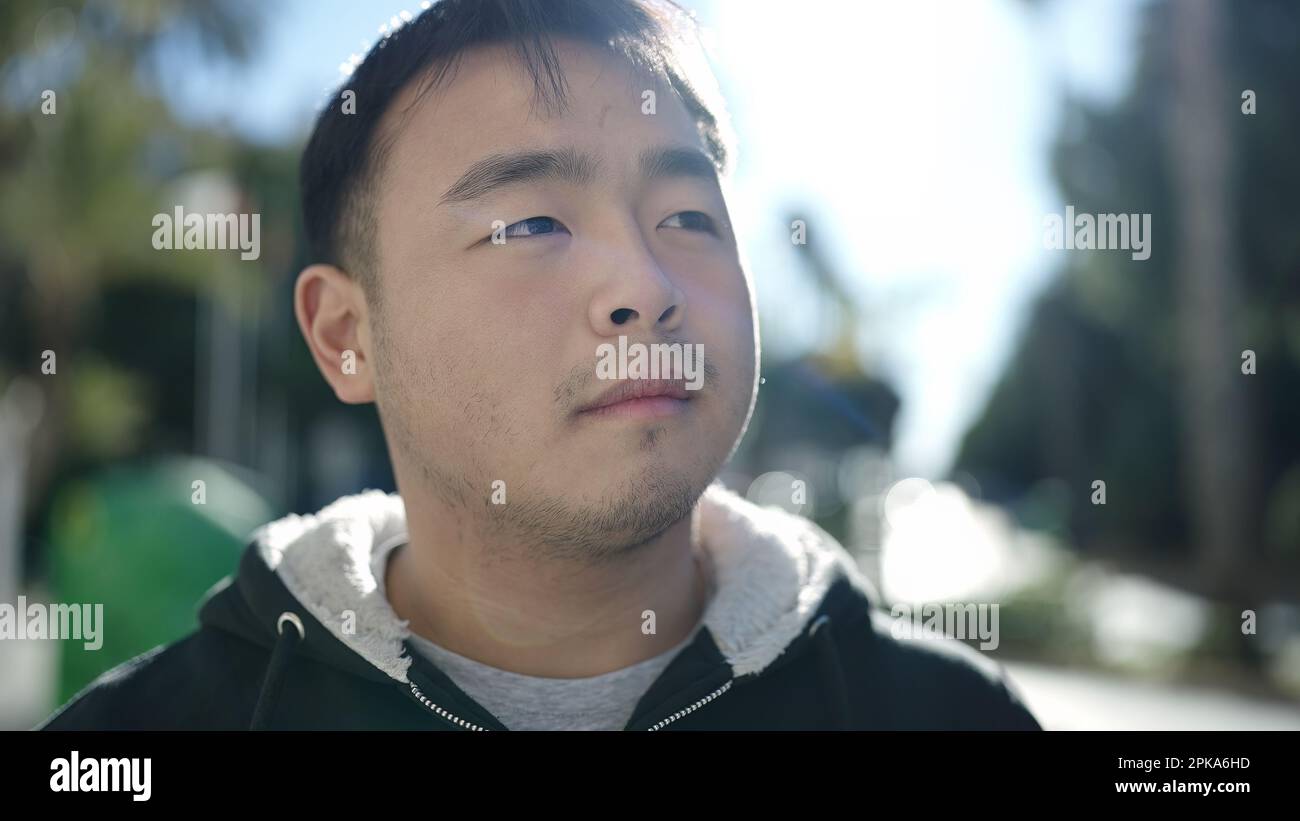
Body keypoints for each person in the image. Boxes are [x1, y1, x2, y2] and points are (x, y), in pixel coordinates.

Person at [40, 0, 1040, 731]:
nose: (644, 285)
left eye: (688, 218)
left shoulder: (948, 715)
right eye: (530, 221)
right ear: (347, 332)